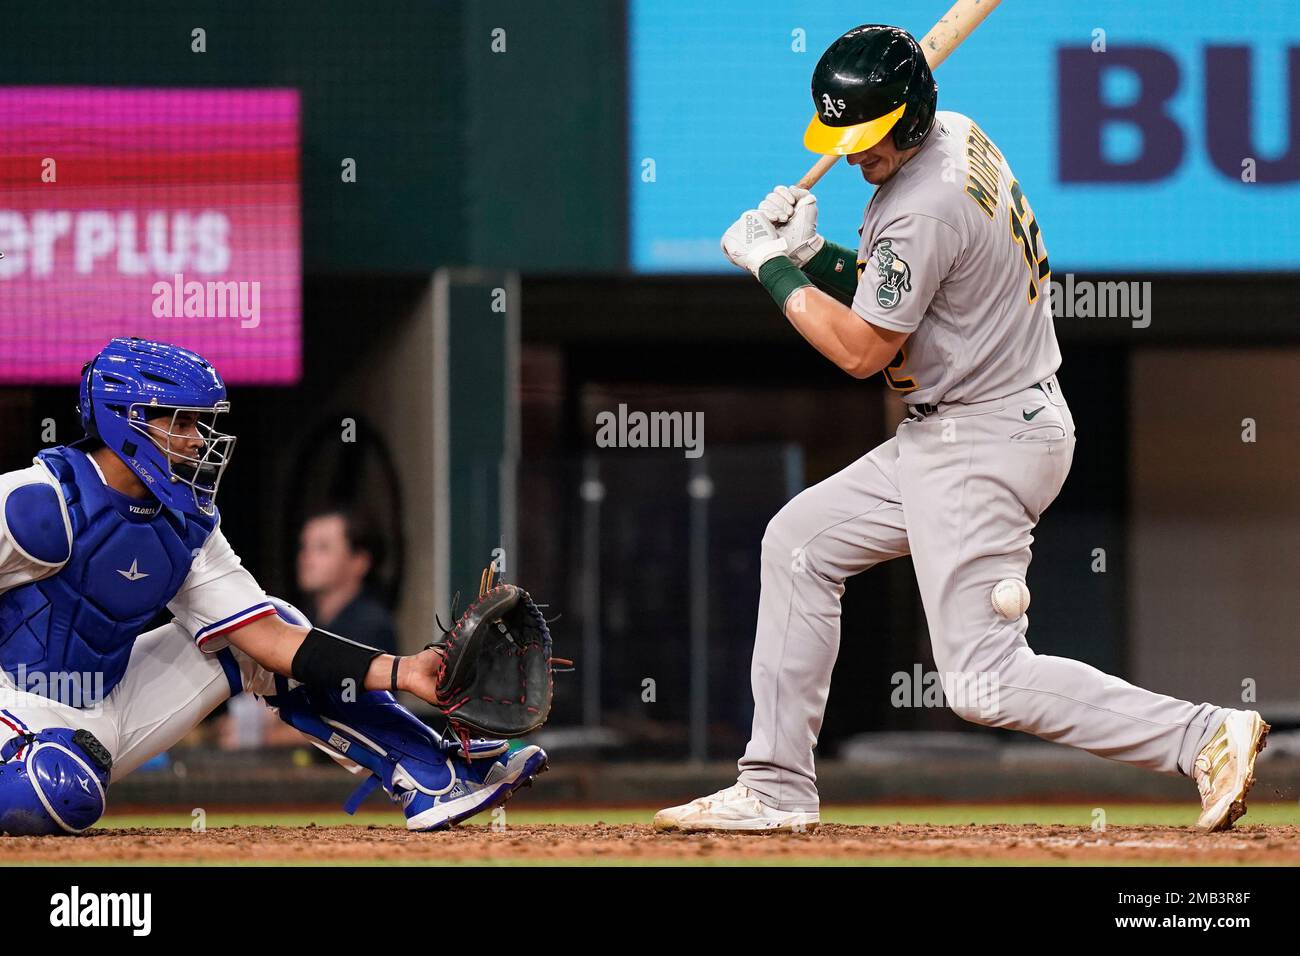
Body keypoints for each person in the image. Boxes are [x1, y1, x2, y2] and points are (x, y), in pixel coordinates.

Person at [655, 24, 1267, 834]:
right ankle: (774, 785)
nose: (849, 155)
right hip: (970, 423)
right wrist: (814, 252)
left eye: (866, 139)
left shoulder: (923, 205)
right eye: (841, 136)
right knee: (800, 543)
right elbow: (912, 293)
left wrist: (771, 267)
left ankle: (1202, 735)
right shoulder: (957, 135)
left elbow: (863, 349)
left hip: (982, 439)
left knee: (980, 683)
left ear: (909, 122)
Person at [0, 336, 545, 835]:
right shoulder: (37, 504)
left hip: (110, 707)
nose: (198, 441)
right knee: (58, 794)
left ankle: (429, 772)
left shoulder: (185, 522)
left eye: (200, 424)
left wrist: (404, 670)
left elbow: (271, 642)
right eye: (183, 424)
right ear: (130, 421)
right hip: (16, 707)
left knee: (271, 620)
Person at [297, 508, 398, 654]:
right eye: (304, 546)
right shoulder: (300, 620)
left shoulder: (372, 627)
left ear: (359, 561)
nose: (306, 558)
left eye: (322, 548)